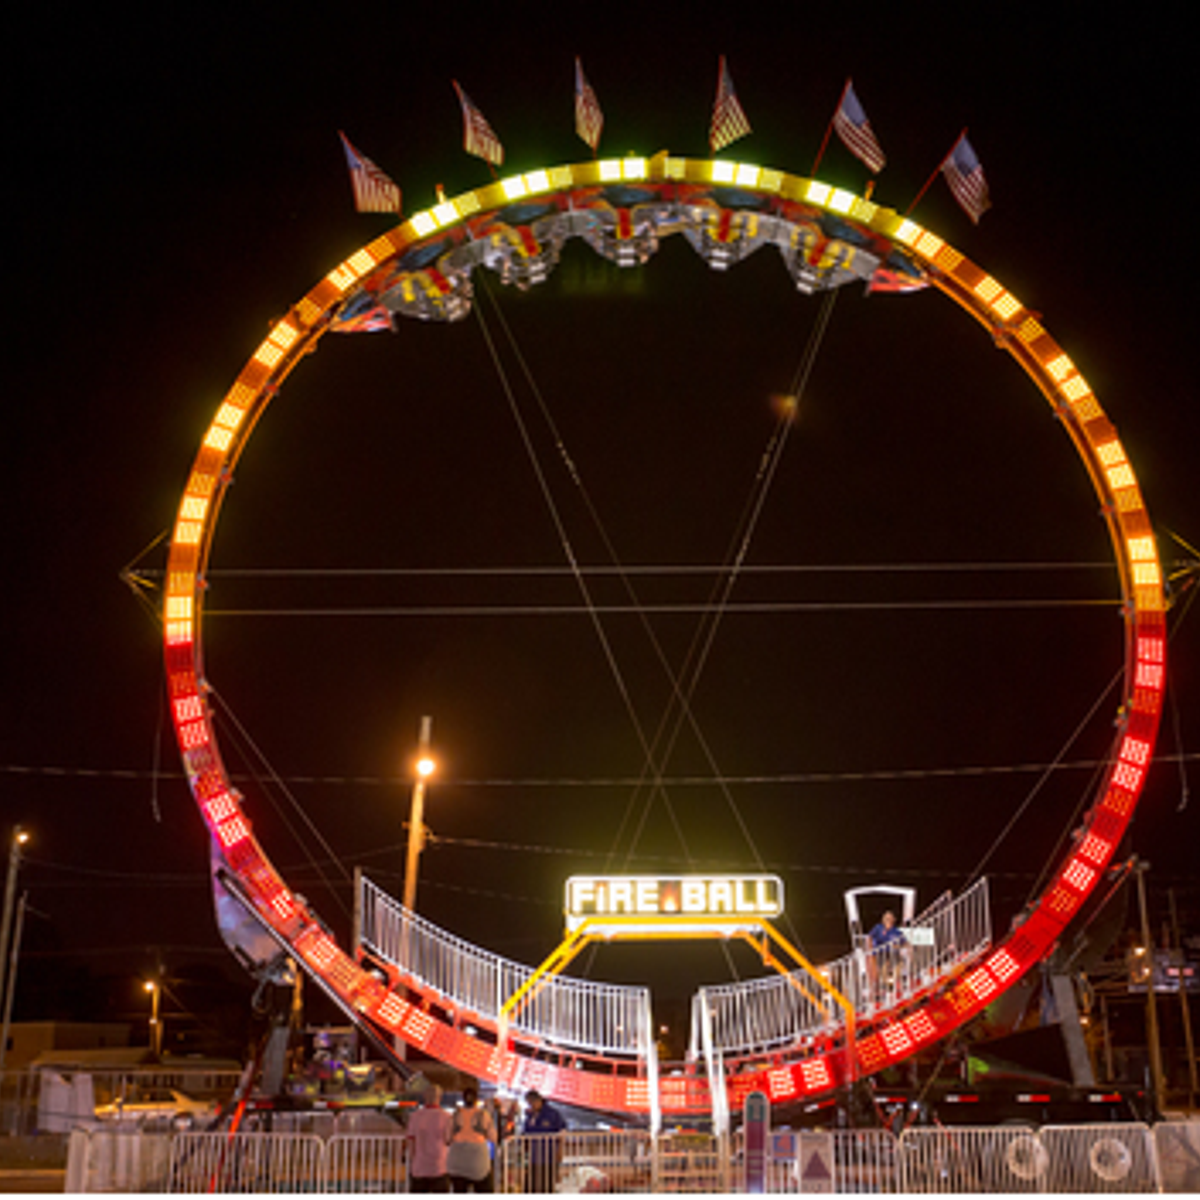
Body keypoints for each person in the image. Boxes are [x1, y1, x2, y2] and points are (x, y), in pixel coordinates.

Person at [447, 1085, 496, 1192]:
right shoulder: (483, 1115)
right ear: (476, 1099)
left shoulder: (455, 1115)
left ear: (463, 1098)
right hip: (477, 1160)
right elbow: (493, 1137)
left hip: (457, 1160)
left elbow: (447, 1138)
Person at [406, 1084, 452, 1192]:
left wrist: (413, 1160)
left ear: (425, 1097)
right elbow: (449, 1140)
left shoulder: (415, 1117)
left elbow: (411, 1142)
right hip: (439, 1167)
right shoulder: (446, 1117)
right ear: (440, 1098)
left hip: (419, 1167)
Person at [521, 1089, 565, 1193]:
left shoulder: (553, 1114)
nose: (531, 1106)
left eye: (532, 1103)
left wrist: (560, 1151)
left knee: (547, 1186)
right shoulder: (530, 1116)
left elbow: (562, 1133)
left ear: (538, 1100)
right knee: (530, 1187)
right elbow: (526, 1133)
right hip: (534, 1157)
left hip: (549, 1157)